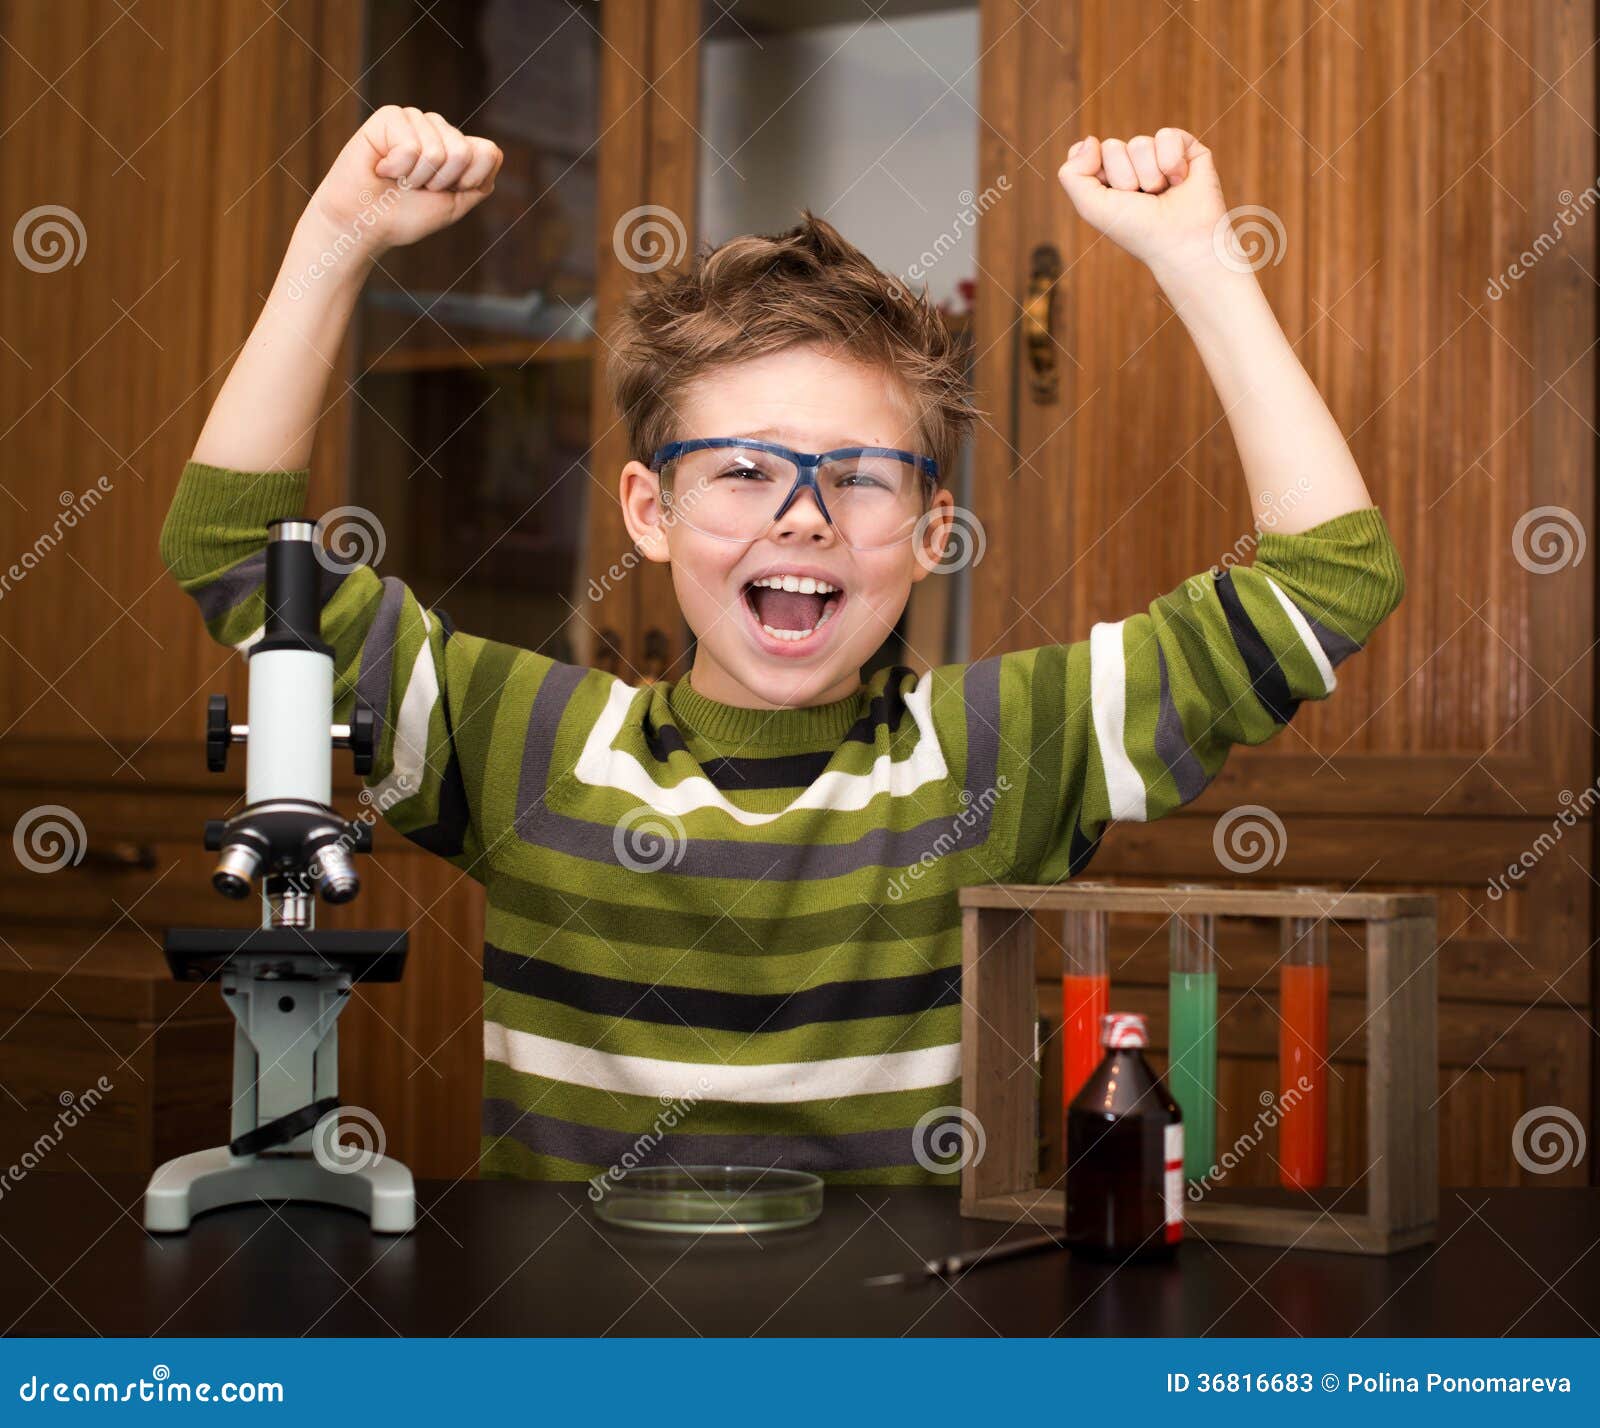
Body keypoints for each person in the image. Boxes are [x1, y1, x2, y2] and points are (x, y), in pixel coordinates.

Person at [159, 107, 1403, 1184]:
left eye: (860, 478)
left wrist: (1200, 262)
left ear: (932, 532)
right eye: (745, 469)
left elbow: (1329, 576)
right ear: (649, 512)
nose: (803, 512)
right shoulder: (525, 745)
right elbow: (230, 549)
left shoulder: (996, 752)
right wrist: (337, 242)